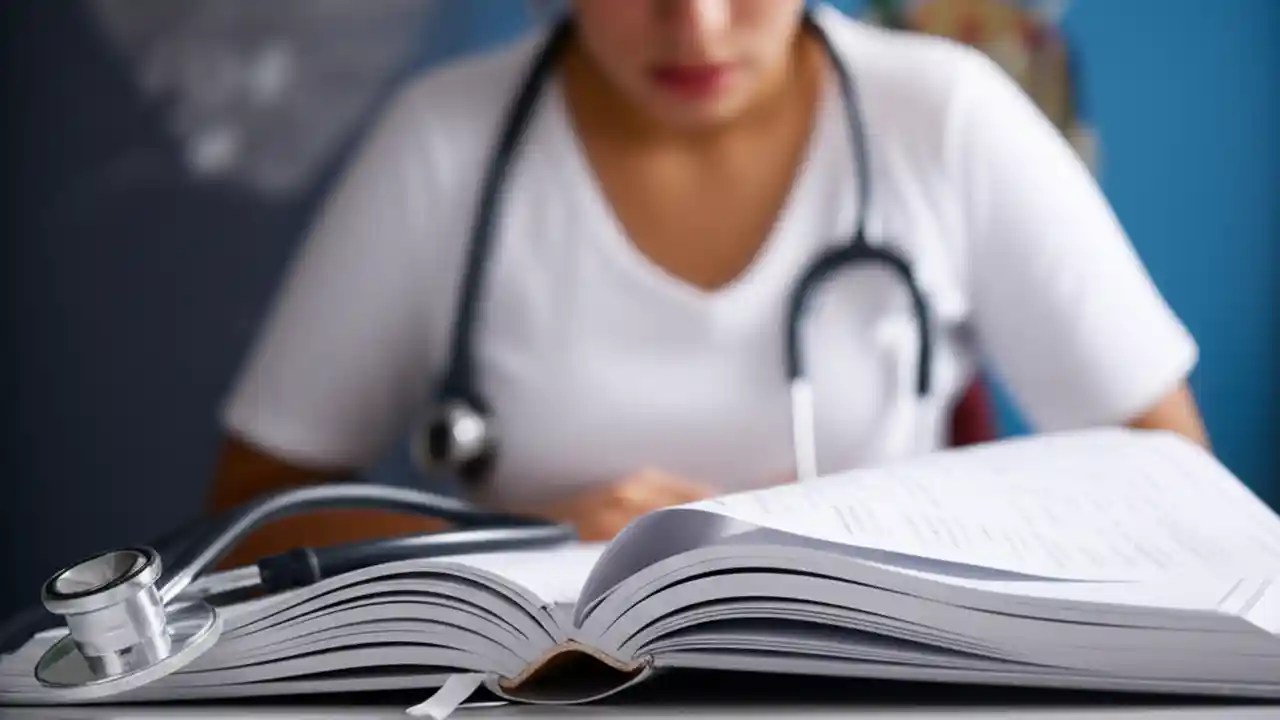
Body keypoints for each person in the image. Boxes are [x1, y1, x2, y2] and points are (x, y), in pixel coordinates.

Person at [208, 0, 1207, 560]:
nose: (695, 26)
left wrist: (909, 528)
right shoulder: (441, 142)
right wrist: (527, 537)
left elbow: (1173, 480)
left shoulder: (944, 119)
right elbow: (247, 513)